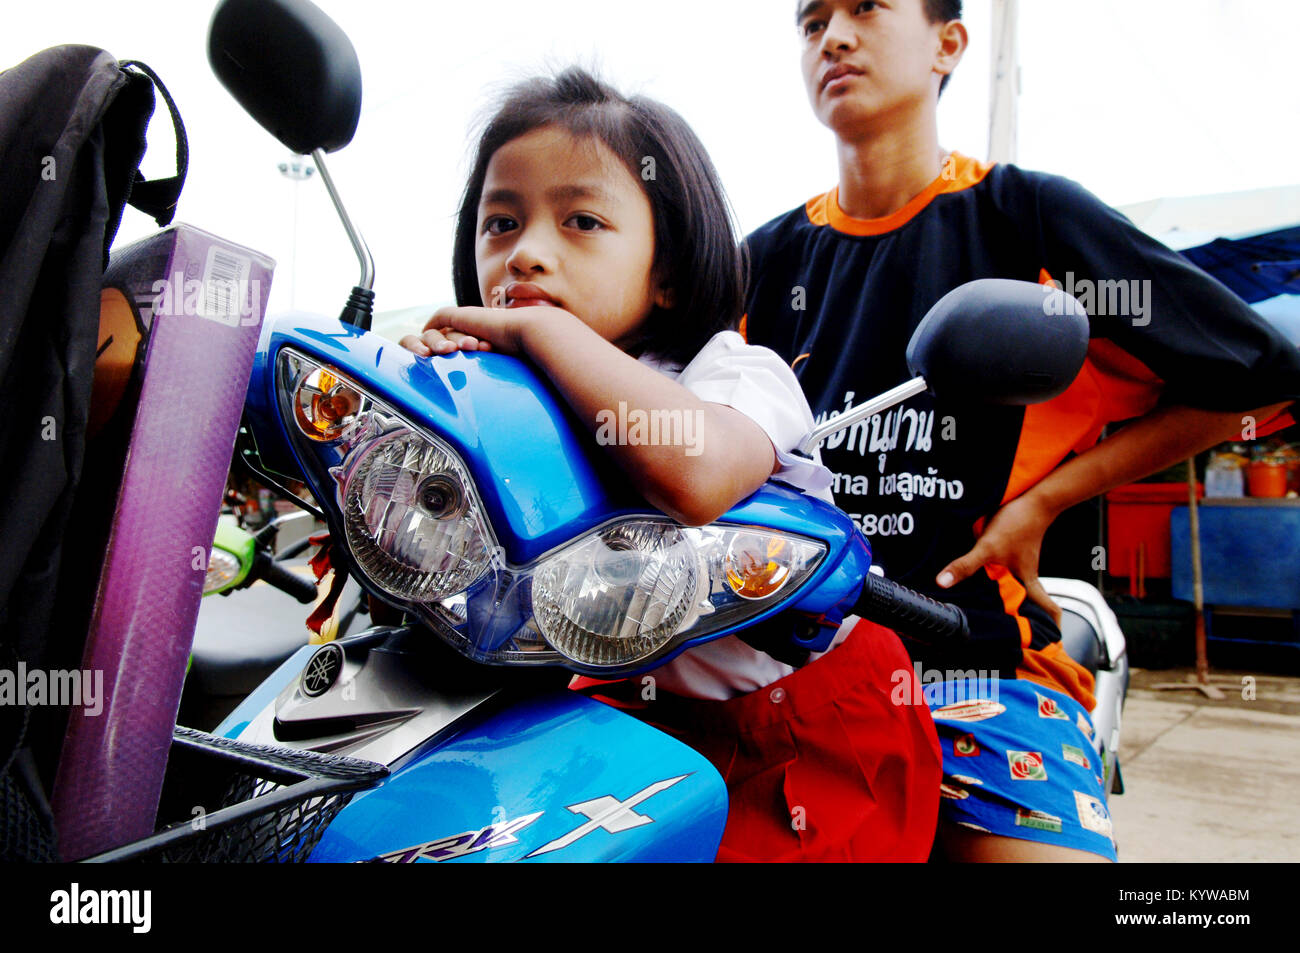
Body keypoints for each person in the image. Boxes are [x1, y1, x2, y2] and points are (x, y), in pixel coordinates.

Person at [742, 0, 1300, 861]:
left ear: (948, 43)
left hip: (978, 663)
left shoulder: (1025, 218)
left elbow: (1254, 376)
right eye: (812, 23)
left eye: (864, 9)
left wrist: (1045, 501)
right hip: (780, 670)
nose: (834, 38)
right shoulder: (764, 261)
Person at [398, 68, 942, 862]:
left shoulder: (732, 372)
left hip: (789, 729)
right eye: (501, 223)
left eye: (580, 220)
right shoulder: (497, 394)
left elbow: (696, 475)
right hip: (611, 715)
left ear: (670, 273)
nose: (525, 255)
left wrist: (547, 336)